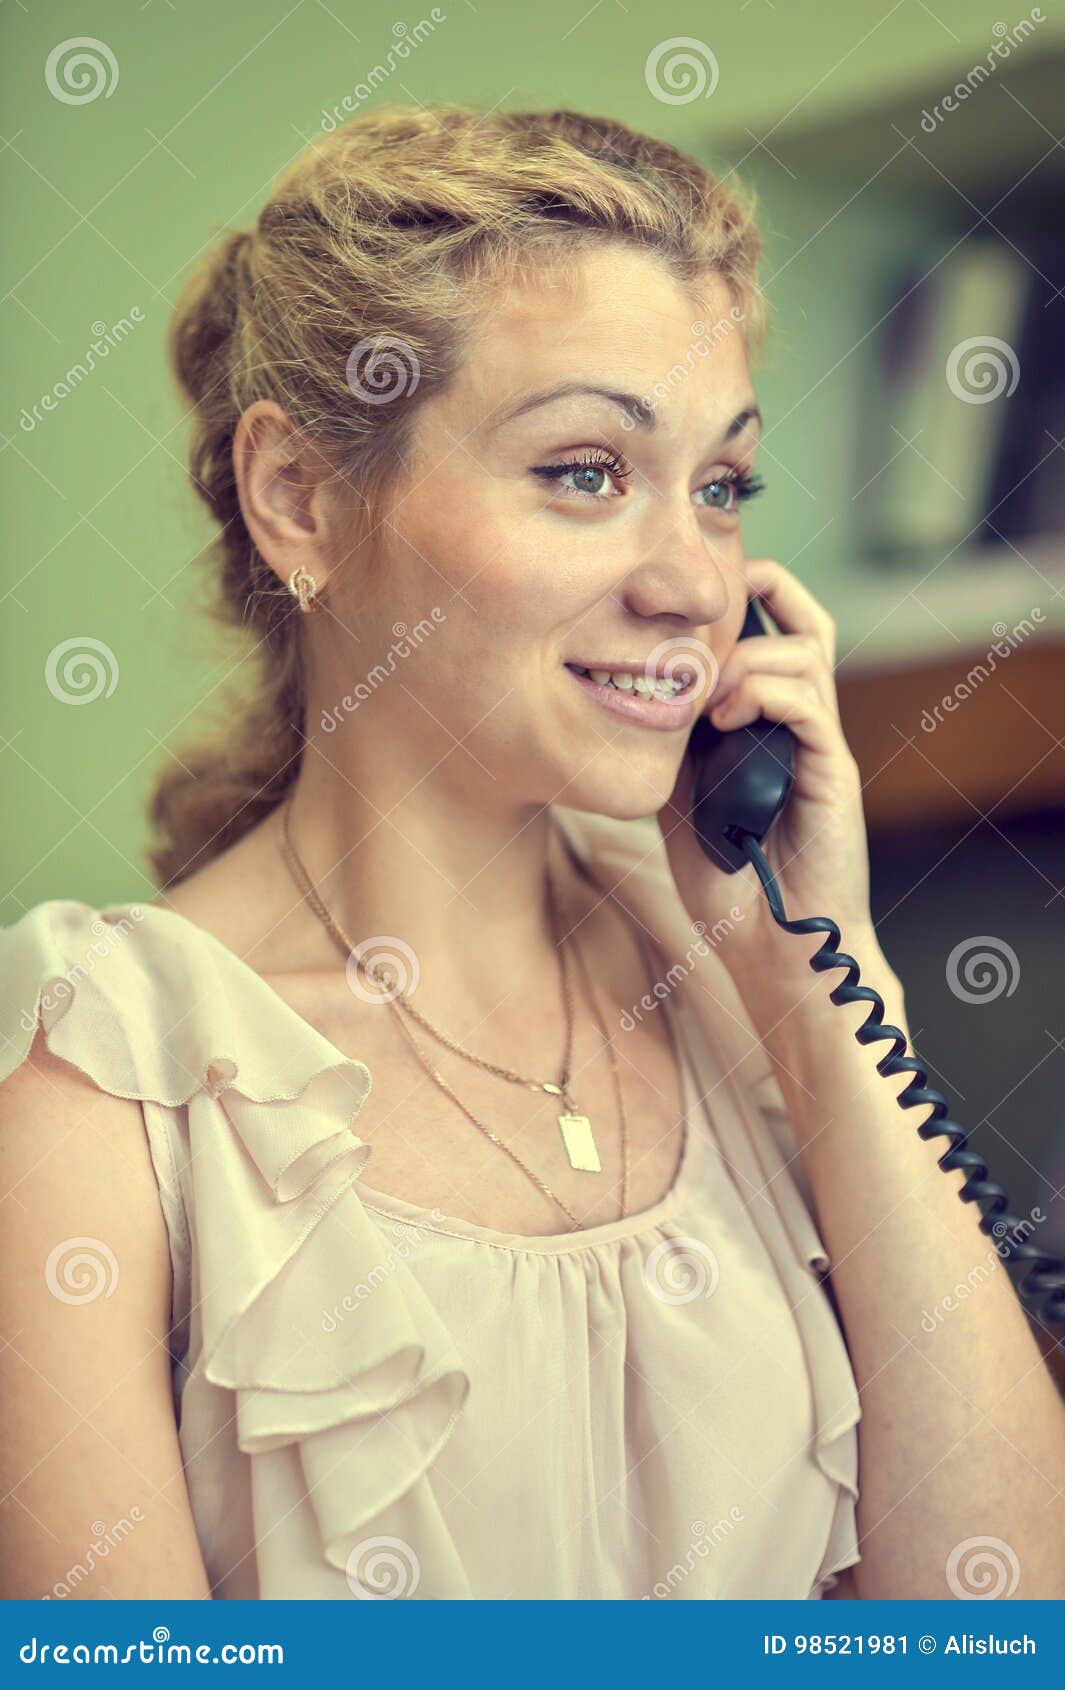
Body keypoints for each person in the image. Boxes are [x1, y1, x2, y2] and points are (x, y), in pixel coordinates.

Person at [2, 105, 1063, 1603]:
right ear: (300, 496)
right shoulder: (97, 1080)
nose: (694, 581)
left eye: (720, 485)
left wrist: (822, 983)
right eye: (583, 471)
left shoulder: (748, 990)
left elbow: (997, 1616)